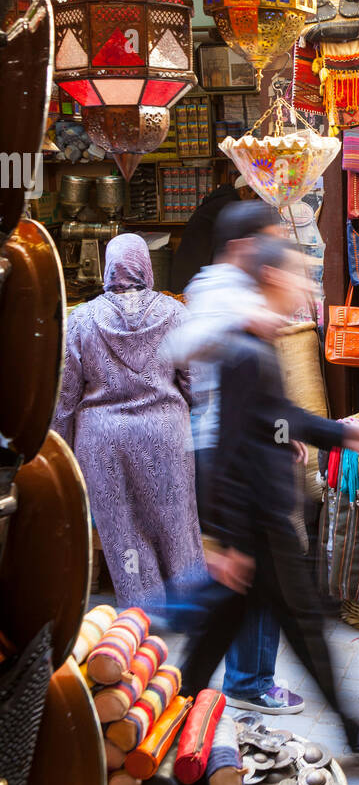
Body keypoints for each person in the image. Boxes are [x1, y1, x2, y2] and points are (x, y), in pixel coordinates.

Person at [179, 237, 359, 763]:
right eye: (298, 275)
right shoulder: (246, 349)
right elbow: (232, 444)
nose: (305, 286)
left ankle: (170, 719)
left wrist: (346, 435)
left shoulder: (256, 344)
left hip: (258, 524)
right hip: (257, 524)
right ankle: (357, 732)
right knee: (300, 629)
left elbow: (279, 420)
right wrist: (230, 540)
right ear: (273, 280)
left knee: (222, 634)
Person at [166, 199, 301, 715]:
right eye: (268, 239)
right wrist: (249, 317)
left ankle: (184, 628)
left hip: (236, 447)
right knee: (256, 568)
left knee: (244, 575)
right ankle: (246, 676)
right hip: (228, 453)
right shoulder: (224, 292)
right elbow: (183, 348)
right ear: (245, 245)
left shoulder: (223, 288)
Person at [53, 233, 203, 609]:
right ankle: (188, 602)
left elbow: (65, 397)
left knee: (124, 532)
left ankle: (143, 612)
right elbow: (197, 384)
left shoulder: (82, 319)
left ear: (109, 269)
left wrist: (58, 451)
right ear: (146, 267)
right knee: (176, 524)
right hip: (165, 436)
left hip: (102, 443)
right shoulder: (175, 314)